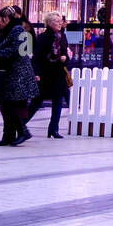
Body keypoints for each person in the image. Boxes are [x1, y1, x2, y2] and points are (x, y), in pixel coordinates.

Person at [0, 6, 41, 147]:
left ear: (6, 18)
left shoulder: (17, 29)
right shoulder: (1, 31)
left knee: (12, 105)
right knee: (5, 105)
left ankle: (23, 132)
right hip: (8, 73)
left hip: (19, 73)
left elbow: (17, 51)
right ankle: (9, 136)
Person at [33, 11, 70, 139]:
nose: (60, 24)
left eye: (60, 21)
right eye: (56, 21)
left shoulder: (62, 37)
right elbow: (36, 57)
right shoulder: (42, 38)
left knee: (58, 102)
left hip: (59, 73)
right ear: (49, 23)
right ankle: (21, 126)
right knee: (36, 101)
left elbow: (66, 54)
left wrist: (65, 57)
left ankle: (53, 129)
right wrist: (36, 73)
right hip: (45, 73)